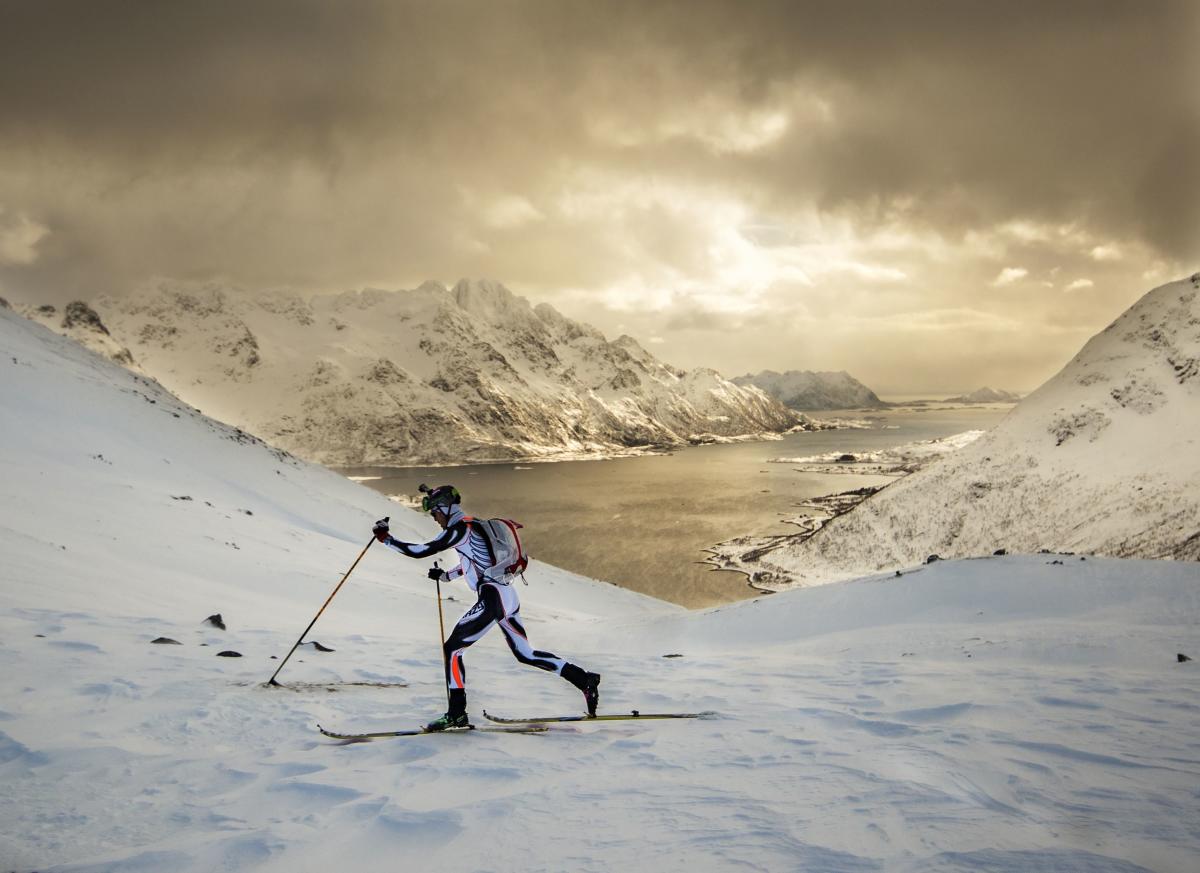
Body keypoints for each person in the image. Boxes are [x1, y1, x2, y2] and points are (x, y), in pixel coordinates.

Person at [372, 484, 601, 731]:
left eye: (435, 512)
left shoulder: (458, 529)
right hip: (506, 595)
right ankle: (584, 679)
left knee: (453, 649)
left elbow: (420, 551)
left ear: (446, 508)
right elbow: (473, 563)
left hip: (493, 596)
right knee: (525, 654)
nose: (434, 518)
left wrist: (386, 538)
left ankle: (456, 713)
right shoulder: (475, 526)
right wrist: (445, 577)